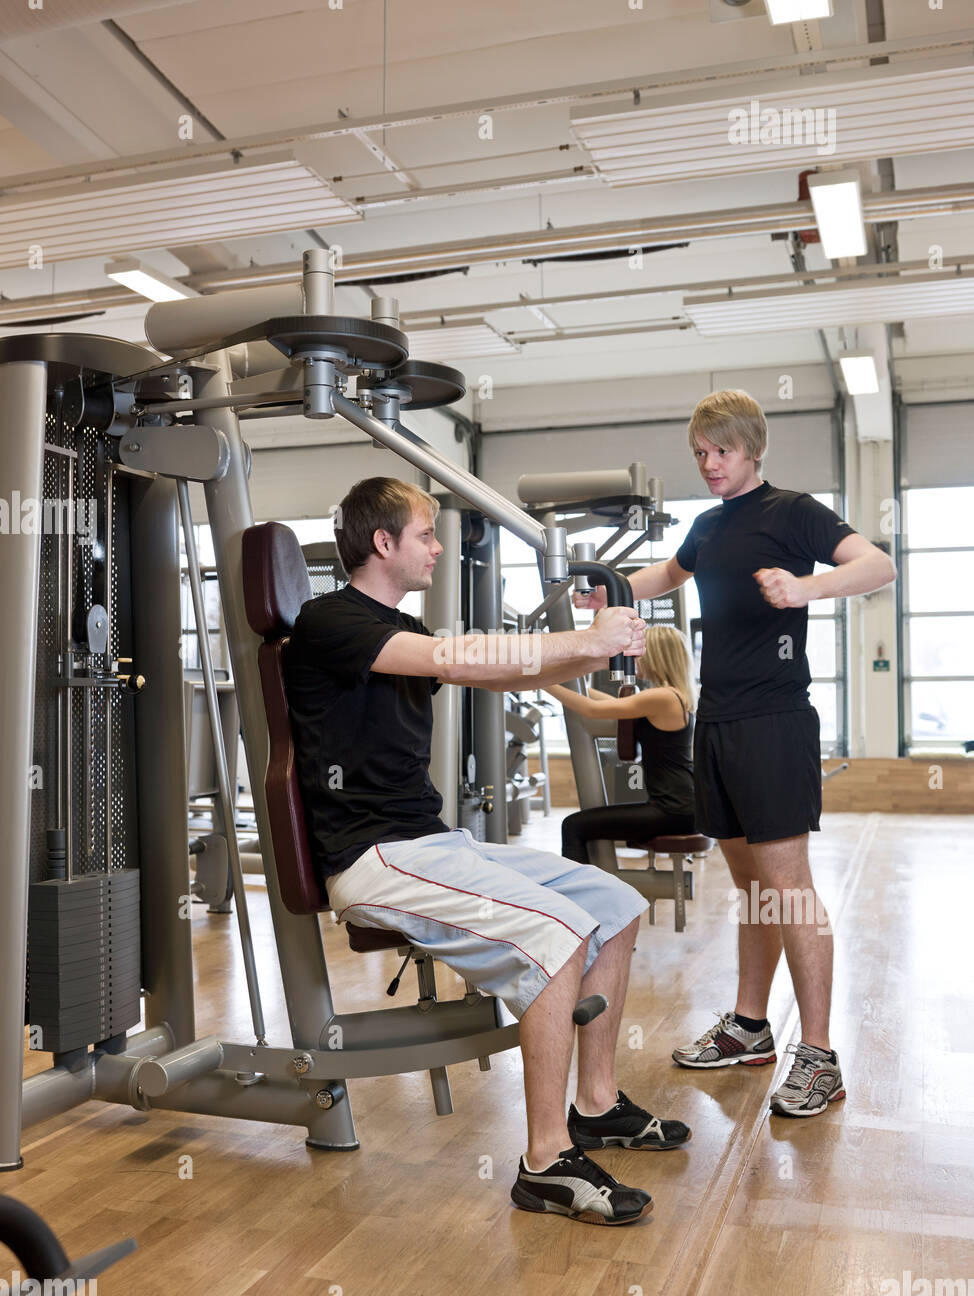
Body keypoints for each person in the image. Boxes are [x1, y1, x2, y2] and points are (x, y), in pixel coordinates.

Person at [284, 477, 691, 1225]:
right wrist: (587, 641)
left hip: (433, 844)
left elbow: (504, 667)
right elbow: (470, 658)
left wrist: (595, 650)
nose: (438, 547)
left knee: (615, 904)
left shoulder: (396, 632)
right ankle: (544, 1162)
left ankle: (595, 1105)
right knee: (556, 934)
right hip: (374, 857)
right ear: (383, 543)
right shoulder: (329, 621)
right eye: (426, 534)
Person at [576, 390, 896, 1117]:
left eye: (721, 451)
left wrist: (805, 586)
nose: (709, 463)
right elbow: (670, 574)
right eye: (700, 453)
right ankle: (752, 1027)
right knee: (750, 880)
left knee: (789, 886)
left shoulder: (794, 511)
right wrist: (612, 590)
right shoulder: (709, 525)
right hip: (717, 721)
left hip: (774, 720)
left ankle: (818, 1056)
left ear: (752, 448)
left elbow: (878, 567)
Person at [544, 625, 696, 864]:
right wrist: (574, 682)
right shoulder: (673, 695)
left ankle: (578, 897)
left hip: (672, 810)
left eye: (640, 653)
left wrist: (542, 682)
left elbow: (592, 710)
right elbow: (615, 704)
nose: (635, 659)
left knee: (573, 825)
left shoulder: (662, 697)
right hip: (680, 807)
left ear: (657, 656)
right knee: (578, 824)